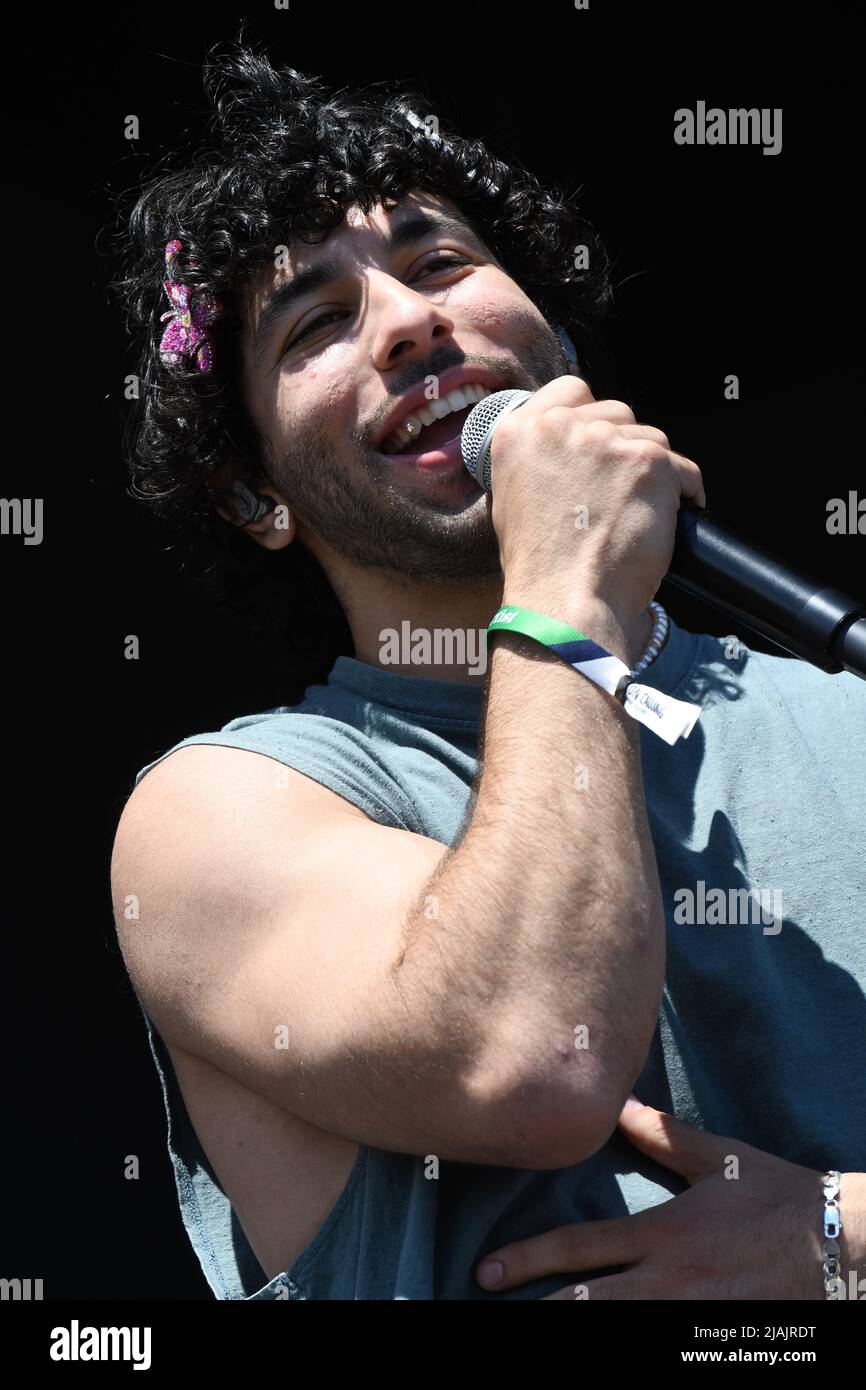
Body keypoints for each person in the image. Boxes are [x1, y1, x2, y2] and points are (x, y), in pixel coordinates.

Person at [109, 40, 866, 1300]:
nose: (408, 322)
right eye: (318, 320)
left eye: (439, 262)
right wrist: (566, 590)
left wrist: (838, 1237)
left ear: (554, 342)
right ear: (252, 494)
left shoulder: (844, 722)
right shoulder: (221, 813)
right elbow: (528, 1060)